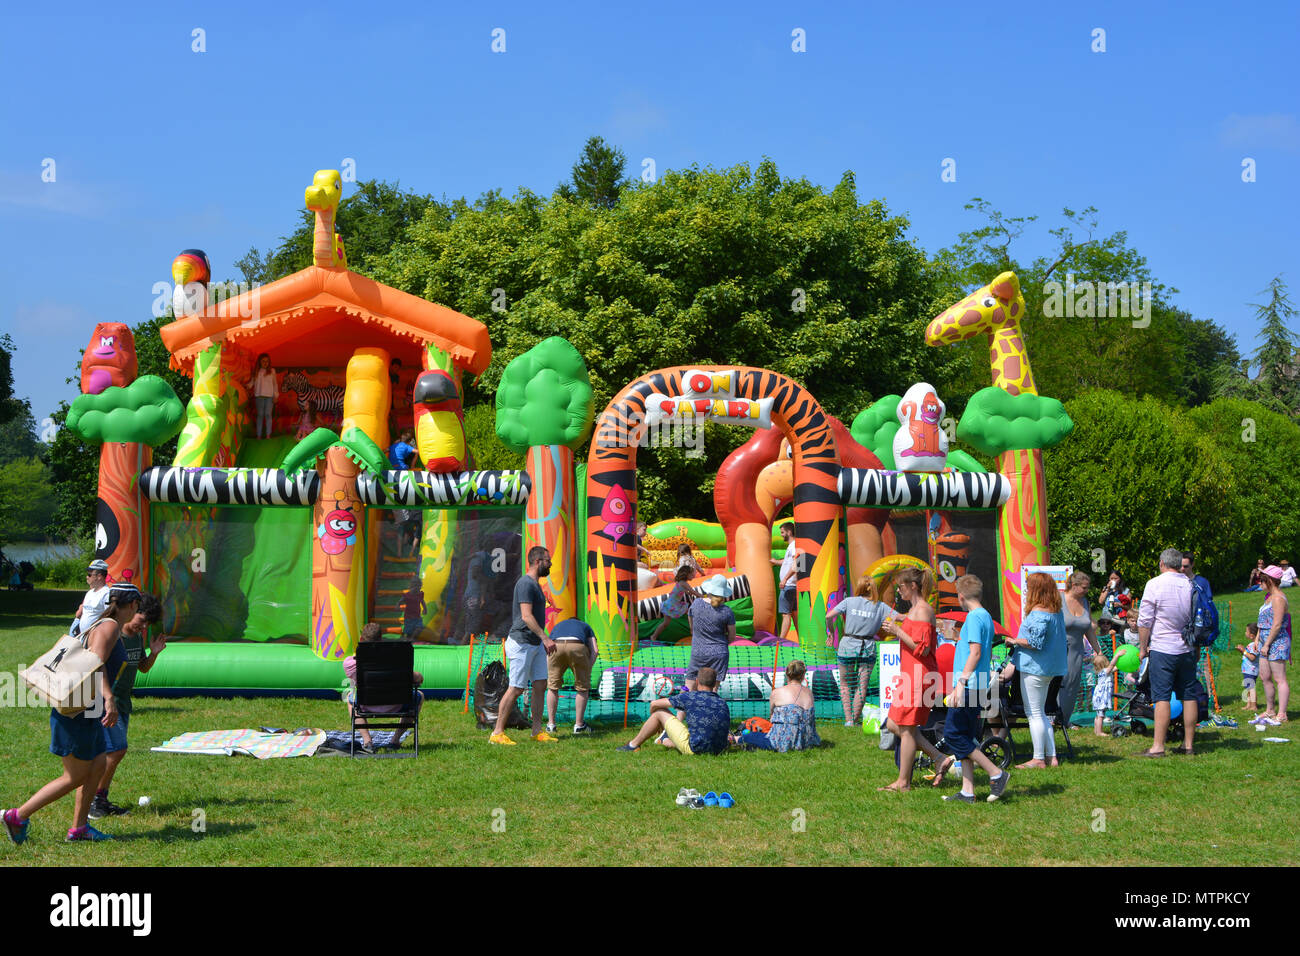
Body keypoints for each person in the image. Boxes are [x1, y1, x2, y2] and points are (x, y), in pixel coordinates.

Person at [4, 584, 138, 844]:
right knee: (74, 776)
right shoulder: (109, 626)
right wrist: (110, 698)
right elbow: (95, 664)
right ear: (132, 605)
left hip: (89, 709)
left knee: (98, 764)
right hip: (81, 709)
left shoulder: (107, 624)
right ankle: (17, 816)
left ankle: (79, 829)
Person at [88, 592, 165, 820]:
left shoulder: (136, 637)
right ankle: (95, 799)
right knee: (116, 750)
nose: (144, 627)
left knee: (111, 751)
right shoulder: (113, 633)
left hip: (122, 703)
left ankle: (99, 798)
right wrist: (107, 698)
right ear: (132, 610)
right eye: (141, 621)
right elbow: (96, 665)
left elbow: (142, 667)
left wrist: (154, 653)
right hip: (105, 702)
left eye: (148, 624)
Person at [878, 567, 951, 792]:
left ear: (913, 586)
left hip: (919, 675)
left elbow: (923, 648)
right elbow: (914, 627)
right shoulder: (915, 610)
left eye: (901, 586)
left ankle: (903, 782)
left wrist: (897, 630)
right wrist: (900, 619)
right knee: (892, 723)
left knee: (907, 728)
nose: (898, 591)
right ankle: (939, 757)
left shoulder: (923, 610)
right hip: (911, 674)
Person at [941, 574, 1011, 802]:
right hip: (979, 685)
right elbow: (980, 651)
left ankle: (995, 772)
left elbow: (976, 653)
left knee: (952, 734)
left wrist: (960, 683)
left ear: (960, 596)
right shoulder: (986, 617)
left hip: (969, 686)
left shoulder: (972, 618)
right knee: (967, 736)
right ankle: (967, 791)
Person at [489, 546, 558, 745]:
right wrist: (545, 638)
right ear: (537, 562)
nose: (550, 563)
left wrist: (541, 641)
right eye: (547, 560)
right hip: (522, 643)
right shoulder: (525, 584)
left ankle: (537, 731)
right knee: (516, 688)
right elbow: (526, 616)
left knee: (540, 685)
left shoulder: (536, 584)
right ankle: (497, 733)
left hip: (534, 644)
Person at [1134, 548, 1198, 757]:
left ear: (1162, 563)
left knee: (1161, 696)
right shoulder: (1189, 584)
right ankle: (1188, 744)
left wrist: (1143, 648)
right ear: (1180, 564)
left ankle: (1158, 746)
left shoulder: (1154, 584)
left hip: (1163, 648)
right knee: (1189, 695)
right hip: (1187, 647)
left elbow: (1144, 621)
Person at [1001, 571, 1067, 768]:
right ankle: (1051, 756)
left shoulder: (1038, 614)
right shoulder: (1056, 612)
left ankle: (1038, 758)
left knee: (1034, 714)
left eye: (1029, 586)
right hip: (1050, 668)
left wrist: (1014, 640)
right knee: (1041, 713)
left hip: (1034, 668)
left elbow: (1034, 642)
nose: (1026, 590)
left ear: (1036, 590)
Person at [343, 622, 424, 753]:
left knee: (350, 699)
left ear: (362, 639)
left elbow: (353, 674)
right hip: (397, 704)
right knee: (419, 696)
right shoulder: (397, 660)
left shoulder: (350, 664)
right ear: (381, 640)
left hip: (366, 705)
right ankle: (395, 740)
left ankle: (367, 741)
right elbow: (418, 678)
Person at [617, 666, 730, 754]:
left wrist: (659, 724)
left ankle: (633, 745)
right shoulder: (722, 702)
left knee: (659, 712)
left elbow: (654, 704)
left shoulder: (690, 697)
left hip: (696, 748)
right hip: (719, 749)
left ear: (697, 682)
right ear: (715, 683)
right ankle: (665, 740)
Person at [826, 575, 891, 727]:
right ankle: (854, 720)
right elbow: (899, 617)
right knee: (862, 686)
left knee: (845, 684)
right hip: (868, 648)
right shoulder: (880, 606)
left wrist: (830, 632)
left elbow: (829, 616)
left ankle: (849, 720)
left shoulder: (849, 601)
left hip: (847, 646)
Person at [736, 660, 821, 751]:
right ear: (803, 675)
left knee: (751, 735)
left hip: (782, 741)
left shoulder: (777, 692)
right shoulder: (809, 693)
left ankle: (735, 739)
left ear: (787, 674)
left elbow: (772, 717)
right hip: (807, 741)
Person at [1060, 571, 1103, 728]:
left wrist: (1098, 651)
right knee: (1058, 684)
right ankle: (1051, 718)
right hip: (1059, 651)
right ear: (1074, 585)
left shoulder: (1085, 602)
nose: (1087, 591)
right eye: (1084, 588)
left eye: (1088, 588)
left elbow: (1088, 630)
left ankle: (1064, 720)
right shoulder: (1059, 600)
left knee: (1072, 685)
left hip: (1077, 651)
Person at [544, 616, 600, 735]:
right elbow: (595, 650)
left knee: (552, 687)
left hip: (556, 646)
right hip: (577, 646)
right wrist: (587, 668)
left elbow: (547, 645)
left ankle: (551, 725)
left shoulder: (558, 625)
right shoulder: (585, 626)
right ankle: (579, 725)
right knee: (582, 688)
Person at [1252, 565, 1291, 726]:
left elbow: (1276, 625)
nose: (1259, 582)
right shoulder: (1268, 597)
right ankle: (1270, 709)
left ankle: (1282, 713)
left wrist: (1267, 644)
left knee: (1279, 678)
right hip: (1264, 642)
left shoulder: (1278, 599)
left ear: (1270, 581)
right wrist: (1257, 639)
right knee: (1265, 676)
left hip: (1277, 642)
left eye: (1262, 580)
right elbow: (1263, 623)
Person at [685, 575, 736, 698]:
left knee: (688, 687)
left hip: (698, 651)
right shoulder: (727, 611)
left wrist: (696, 634)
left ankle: (680, 716)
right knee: (713, 690)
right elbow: (732, 637)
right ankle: (710, 715)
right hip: (719, 653)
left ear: (709, 589)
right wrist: (721, 643)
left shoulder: (696, 604)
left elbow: (692, 627)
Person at [649, 565, 699, 642]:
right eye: (692, 574)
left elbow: (682, 591)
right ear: (686, 574)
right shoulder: (684, 583)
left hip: (670, 604)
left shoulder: (681, 583)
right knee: (690, 613)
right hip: (672, 605)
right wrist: (704, 596)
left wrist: (687, 592)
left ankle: (654, 636)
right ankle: (692, 631)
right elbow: (694, 592)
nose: (693, 575)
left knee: (665, 623)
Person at [70, 559, 110, 638]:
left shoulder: (107, 594)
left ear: (99, 576)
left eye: (89, 574)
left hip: (96, 638)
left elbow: (109, 618)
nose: (87, 577)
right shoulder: (89, 593)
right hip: (83, 636)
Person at [773, 523, 800, 642]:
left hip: (789, 586)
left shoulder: (794, 546)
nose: (781, 535)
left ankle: (780, 641)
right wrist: (775, 561)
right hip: (792, 586)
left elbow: (798, 564)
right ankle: (802, 640)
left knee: (786, 614)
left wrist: (784, 579)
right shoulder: (793, 546)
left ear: (789, 532)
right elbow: (789, 562)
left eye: (783, 532)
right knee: (794, 615)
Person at [248, 353, 278, 439]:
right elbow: (252, 382)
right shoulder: (257, 371)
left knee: (268, 415)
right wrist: (247, 386)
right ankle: (259, 435)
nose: (265, 363)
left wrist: (276, 395)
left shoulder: (272, 371)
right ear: (260, 362)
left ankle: (268, 435)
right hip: (259, 396)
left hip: (269, 396)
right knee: (260, 415)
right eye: (263, 361)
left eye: (267, 361)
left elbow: (275, 384)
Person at [1091, 652, 1117, 737]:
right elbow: (1112, 665)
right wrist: (1117, 655)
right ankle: (1099, 732)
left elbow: (1115, 668)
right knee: (1101, 716)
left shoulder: (1101, 672)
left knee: (1098, 715)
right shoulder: (1105, 671)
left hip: (1098, 697)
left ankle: (1096, 730)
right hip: (1101, 697)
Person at [1236, 624, 1261, 712]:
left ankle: (1253, 706)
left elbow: (1252, 657)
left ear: (1252, 635)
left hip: (1251, 670)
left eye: (1247, 631)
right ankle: (1248, 704)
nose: (1245, 633)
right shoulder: (1252, 644)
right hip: (1248, 670)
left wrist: (1244, 650)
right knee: (1248, 688)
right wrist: (1242, 651)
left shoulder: (1255, 645)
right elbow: (1247, 656)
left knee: (1251, 688)